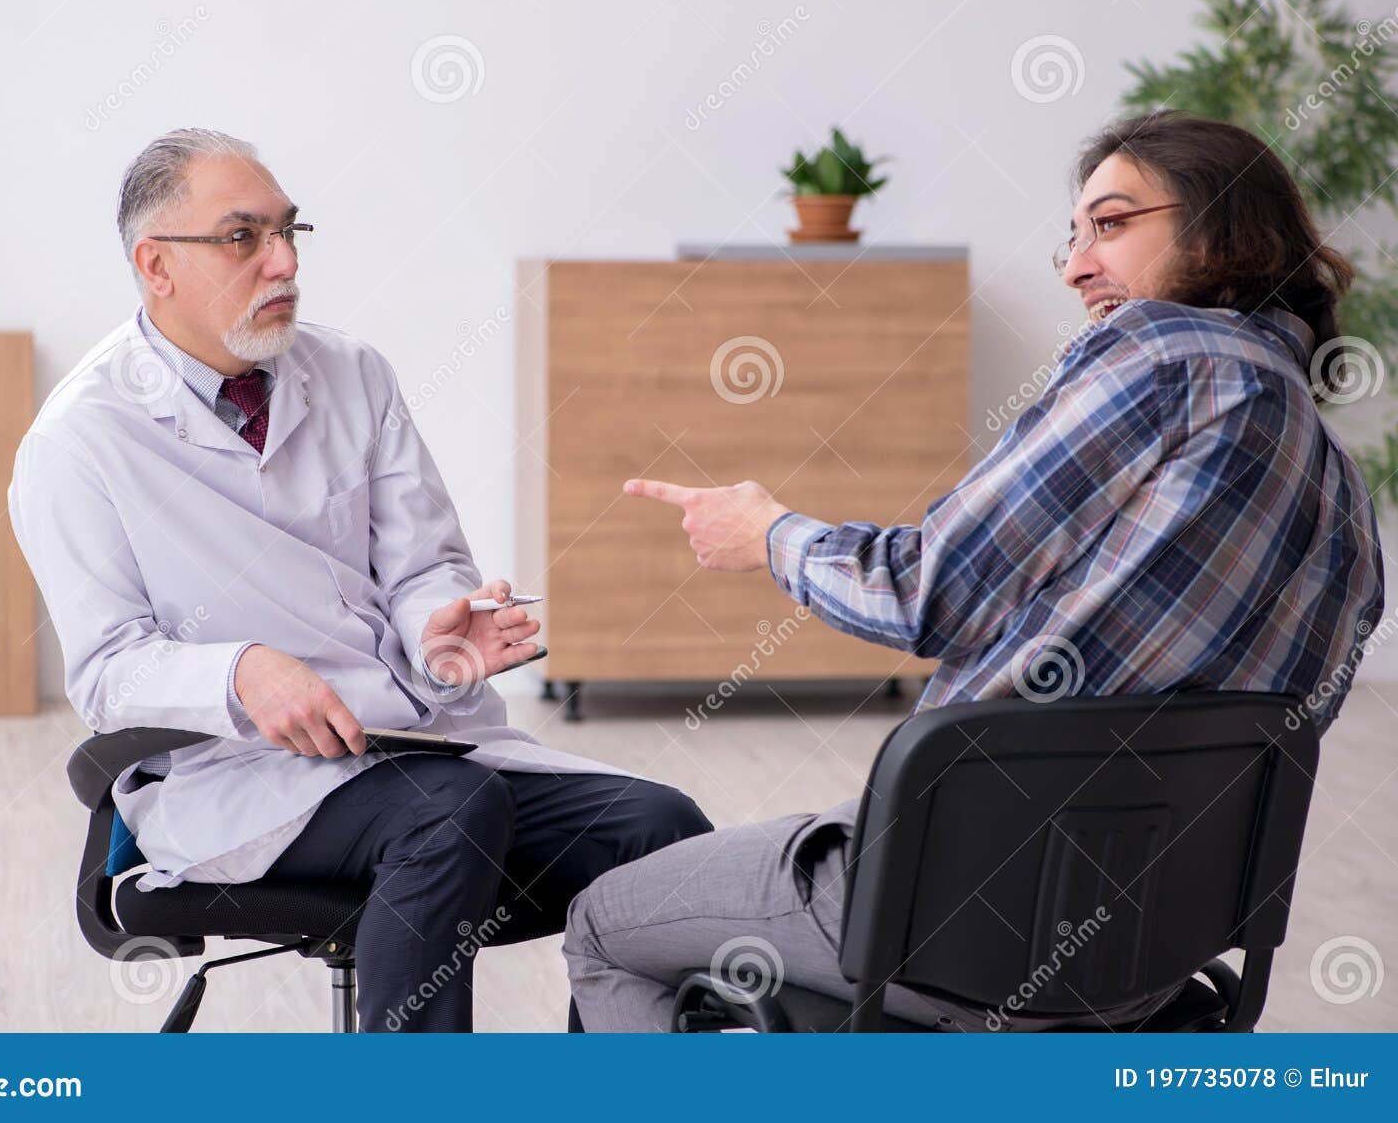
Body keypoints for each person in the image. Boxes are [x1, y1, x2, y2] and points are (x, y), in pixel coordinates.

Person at [563, 110, 1385, 1032]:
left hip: (961, 924)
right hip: (1147, 957)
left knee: (603, 918)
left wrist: (767, 533)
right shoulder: (1345, 497)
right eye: (1071, 239)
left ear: (1227, 225)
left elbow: (925, 595)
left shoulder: (1162, 356)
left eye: (1110, 225)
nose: (1077, 267)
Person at [7, 128, 710, 1032]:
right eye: (244, 237)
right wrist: (241, 673)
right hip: (242, 772)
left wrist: (436, 630)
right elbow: (107, 670)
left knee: (657, 828)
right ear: (156, 265)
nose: (284, 261)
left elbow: (425, 563)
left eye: (290, 231)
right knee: (451, 812)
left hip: (409, 737)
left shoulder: (352, 375)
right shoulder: (80, 439)